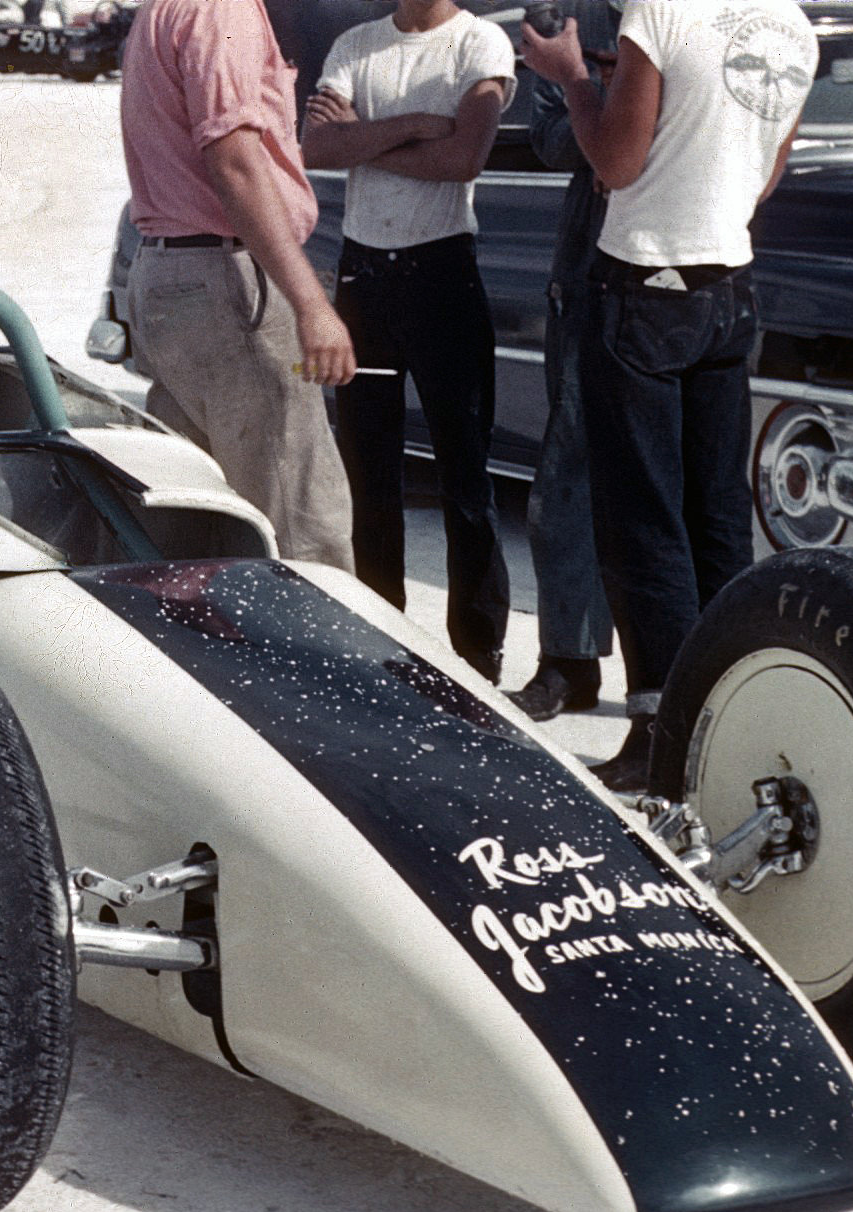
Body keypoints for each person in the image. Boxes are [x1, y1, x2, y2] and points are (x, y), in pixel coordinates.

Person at [519, 0, 811, 789]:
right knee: (717, 518)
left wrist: (574, 76)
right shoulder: (792, 25)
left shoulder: (662, 12)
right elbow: (762, 176)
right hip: (728, 287)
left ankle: (661, 733)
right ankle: (735, 717)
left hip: (645, 286)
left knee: (643, 522)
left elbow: (615, 164)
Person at [299, 0, 514, 680]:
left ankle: (479, 653)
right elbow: (317, 147)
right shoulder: (356, 45)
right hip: (365, 279)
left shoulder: (480, 44)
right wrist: (418, 125)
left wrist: (370, 136)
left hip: (441, 275)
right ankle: (381, 643)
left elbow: (463, 158)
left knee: (464, 472)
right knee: (369, 473)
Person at [119, 0, 357, 570]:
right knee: (301, 531)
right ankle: (312, 658)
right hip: (226, 279)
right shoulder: (221, 10)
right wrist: (311, 304)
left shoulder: (167, 8)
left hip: (169, 274)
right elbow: (234, 160)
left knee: (196, 533)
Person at [509, 0, 618, 722]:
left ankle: (684, 673)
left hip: (686, 267)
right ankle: (568, 661)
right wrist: (601, 94)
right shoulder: (565, 15)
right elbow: (553, 138)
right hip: (592, 267)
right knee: (567, 474)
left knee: (678, 488)